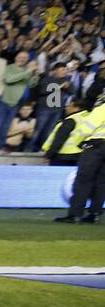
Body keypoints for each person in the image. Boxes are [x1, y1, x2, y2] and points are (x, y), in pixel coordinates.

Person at [55, 96, 105, 224]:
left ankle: (75, 215)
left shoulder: (101, 109)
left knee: (83, 180)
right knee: (101, 182)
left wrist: (81, 141)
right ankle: (95, 215)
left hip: (96, 146)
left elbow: (86, 129)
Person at [42, 97, 87, 166]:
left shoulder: (71, 120)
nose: (66, 108)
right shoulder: (86, 118)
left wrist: (49, 155)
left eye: (69, 106)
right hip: (79, 155)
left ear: (77, 108)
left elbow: (59, 139)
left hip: (62, 156)